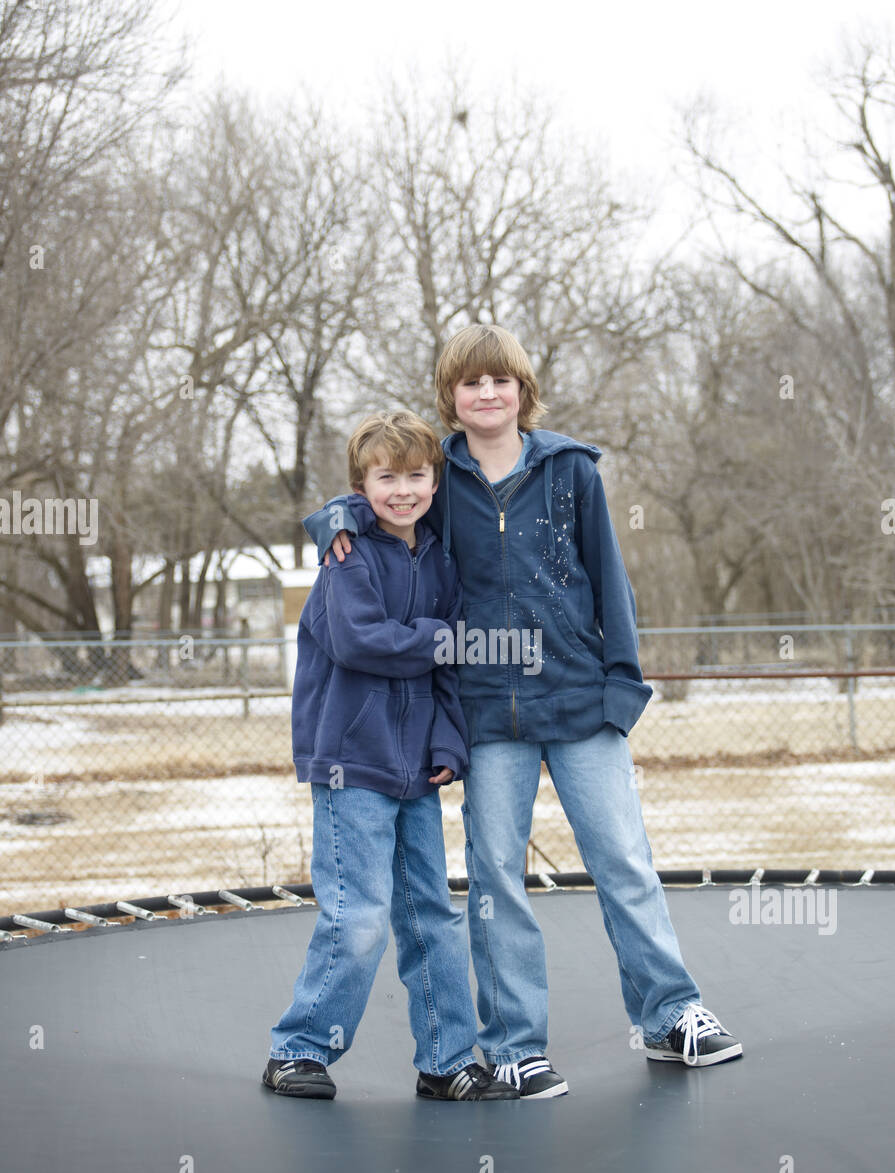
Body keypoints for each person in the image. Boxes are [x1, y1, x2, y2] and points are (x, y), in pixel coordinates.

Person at [305, 326, 742, 1098]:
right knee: (499, 877)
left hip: (578, 698)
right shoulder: (440, 475)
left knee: (622, 860)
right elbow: (383, 501)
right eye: (470, 384)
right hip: (486, 709)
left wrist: (621, 684)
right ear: (453, 396)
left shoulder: (569, 469)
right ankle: (514, 1043)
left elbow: (610, 577)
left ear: (521, 389)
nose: (486, 395)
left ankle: (670, 1013)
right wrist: (333, 519)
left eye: (499, 382)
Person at [263, 409, 518, 1102]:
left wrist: (447, 740)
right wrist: (440, 635)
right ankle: (298, 1049)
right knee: (360, 915)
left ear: (434, 480)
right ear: (361, 484)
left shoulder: (437, 557)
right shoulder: (346, 555)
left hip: (416, 769)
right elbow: (359, 642)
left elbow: (448, 671)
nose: (402, 490)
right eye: (385, 478)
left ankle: (447, 1059)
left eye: (415, 476)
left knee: (431, 911)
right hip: (352, 764)